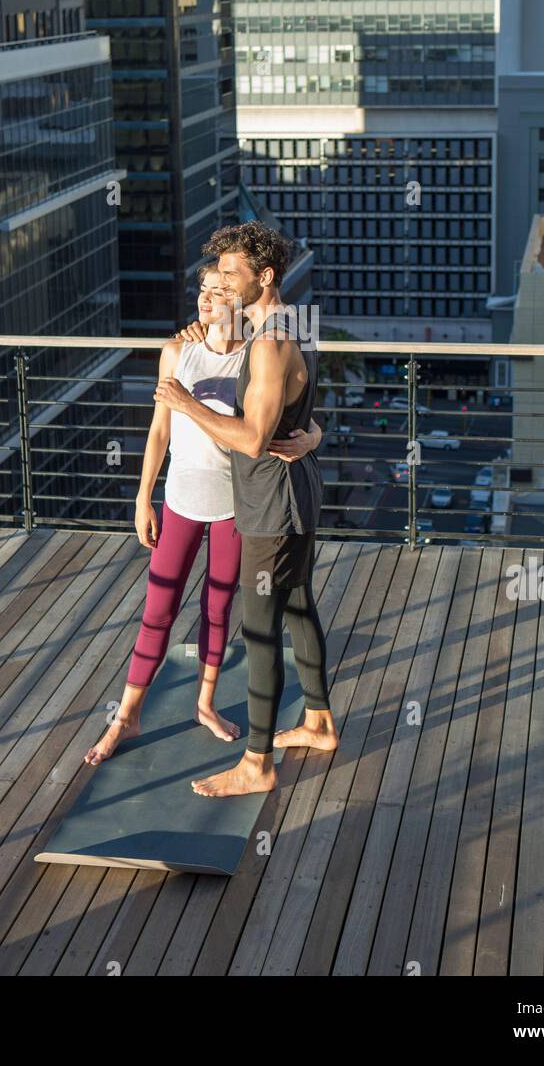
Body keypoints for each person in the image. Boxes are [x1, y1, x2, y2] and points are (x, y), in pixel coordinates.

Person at [83, 263, 322, 765]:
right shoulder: (177, 351)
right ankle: (126, 716)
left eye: (220, 290)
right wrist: (142, 495)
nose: (207, 299)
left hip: (235, 506)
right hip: (180, 502)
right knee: (158, 610)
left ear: (240, 298)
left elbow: (294, 417)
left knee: (216, 609)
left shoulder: (258, 354)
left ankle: (205, 705)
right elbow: (158, 433)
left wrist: (314, 438)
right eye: (203, 290)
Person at [154, 221, 339, 799]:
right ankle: (318, 723)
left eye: (232, 275)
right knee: (300, 605)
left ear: (265, 276)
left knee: (260, 630)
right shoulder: (292, 325)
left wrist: (186, 402)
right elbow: (301, 409)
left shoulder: (268, 341)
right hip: (297, 488)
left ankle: (256, 764)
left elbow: (255, 437)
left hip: (269, 503)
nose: (223, 285)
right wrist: (312, 436)